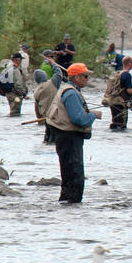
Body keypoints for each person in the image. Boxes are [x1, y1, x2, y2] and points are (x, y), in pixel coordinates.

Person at [45, 62, 101, 203]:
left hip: (65, 138)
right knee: (74, 177)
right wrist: (93, 115)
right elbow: (79, 119)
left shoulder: (67, 89)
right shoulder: (71, 93)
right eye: (86, 76)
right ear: (77, 77)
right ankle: (72, 208)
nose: (87, 79)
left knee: (69, 177)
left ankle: (68, 208)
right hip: (70, 139)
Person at [103, 56, 132, 131]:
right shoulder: (127, 75)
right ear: (129, 63)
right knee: (122, 125)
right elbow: (129, 91)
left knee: (115, 122)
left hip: (112, 101)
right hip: (121, 102)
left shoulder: (117, 73)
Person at [32, 68, 58, 144]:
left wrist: (40, 118)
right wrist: (54, 64)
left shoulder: (36, 90)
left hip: (46, 117)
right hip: (54, 117)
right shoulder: (51, 84)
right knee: (54, 138)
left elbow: (36, 108)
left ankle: (46, 141)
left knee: (47, 136)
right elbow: (58, 74)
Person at [0, 52, 29, 116]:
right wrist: (23, 94)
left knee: (13, 111)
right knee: (15, 113)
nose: (21, 61)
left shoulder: (8, 68)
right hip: (15, 94)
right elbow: (18, 84)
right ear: (17, 60)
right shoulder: (15, 70)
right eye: (20, 59)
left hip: (9, 93)